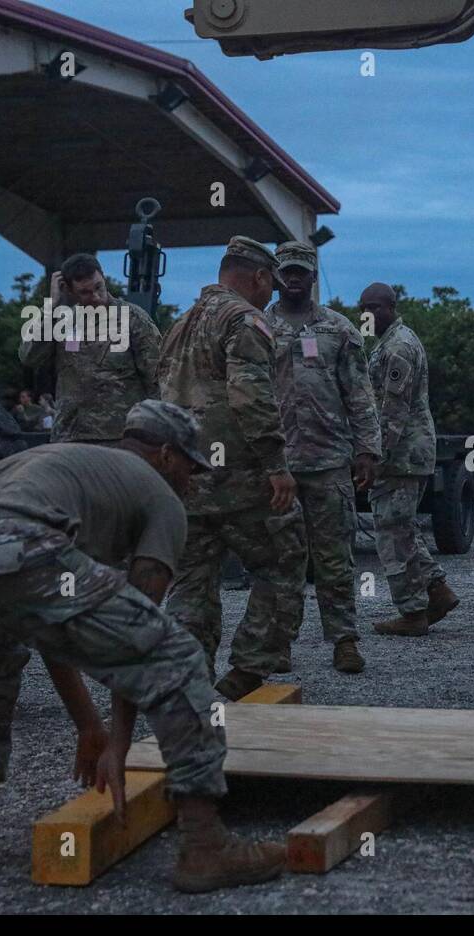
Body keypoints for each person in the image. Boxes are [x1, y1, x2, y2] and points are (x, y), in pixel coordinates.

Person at [0, 401, 286, 892]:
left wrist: (91, 727)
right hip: (10, 543)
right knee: (179, 657)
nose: (192, 480)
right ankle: (205, 844)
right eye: (190, 466)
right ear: (166, 454)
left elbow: (54, 625)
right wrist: (120, 742)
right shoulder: (161, 497)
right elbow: (141, 642)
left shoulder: (75, 464)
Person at [159, 237, 304, 701]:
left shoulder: (180, 324)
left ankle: (188, 681)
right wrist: (276, 464)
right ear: (259, 278)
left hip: (185, 477)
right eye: (270, 285)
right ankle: (249, 667)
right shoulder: (245, 320)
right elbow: (251, 396)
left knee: (192, 583)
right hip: (238, 477)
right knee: (283, 562)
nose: (272, 295)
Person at [268, 240, 381, 674]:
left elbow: (359, 393)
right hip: (280, 466)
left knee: (335, 559)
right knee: (283, 560)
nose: (294, 278)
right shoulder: (257, 327)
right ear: (277, 276)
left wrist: (367, 449)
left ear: (313, 277)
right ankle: (279, 643)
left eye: (301, 271)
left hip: (330, 460)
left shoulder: (339, 330)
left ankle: (344, 640)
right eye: (287, 271)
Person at [360, 282, 459, 637]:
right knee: (401, 527)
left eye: (374, 307)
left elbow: (393, 411)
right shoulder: (389, 341)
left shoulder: (398, 346)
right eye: (363, 308)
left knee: (391, 530)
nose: (367, 314)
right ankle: (437, 590)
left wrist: (375, 455)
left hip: (401, 454)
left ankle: (413, 612)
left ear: (391, 306)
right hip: (404, 453)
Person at [18, 253, 161, 444]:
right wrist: (51, 306)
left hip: (121, 437)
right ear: (69, 290)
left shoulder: (133, 318)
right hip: (71, 437)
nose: (95, 296)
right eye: (85, 292)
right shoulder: (62, 320)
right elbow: (29, 357)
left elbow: (158, 378)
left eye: (98, 287)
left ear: (103, 277)